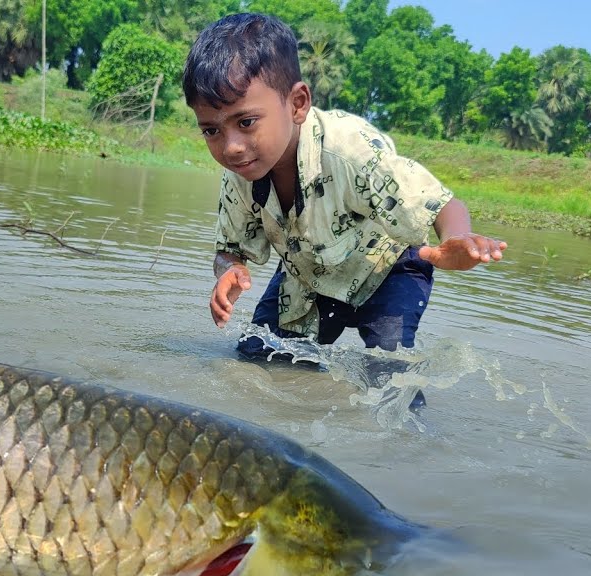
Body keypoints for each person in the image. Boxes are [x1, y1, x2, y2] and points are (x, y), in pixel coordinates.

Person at [182, 13, 506, 364]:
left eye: (246, 122)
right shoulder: (240, 175)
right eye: (211, 131)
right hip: (308, 274)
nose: (231, 147)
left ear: (297, 103)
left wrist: (455, 239)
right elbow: (230, 249)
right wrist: (229, 269)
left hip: (387, 267)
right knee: (257, 356)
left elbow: (442, 203)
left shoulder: (350, 150)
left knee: (388, 373)